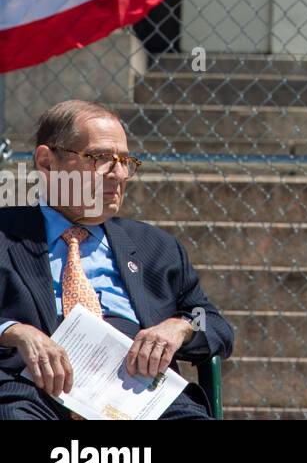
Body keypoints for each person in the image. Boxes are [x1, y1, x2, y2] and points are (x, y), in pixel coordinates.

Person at [0, 100, 234, 420]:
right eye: (101, 159)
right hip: (34, 395)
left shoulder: (156, 247)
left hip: (141, 397)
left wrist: (179, 327)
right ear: (47, 162)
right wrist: (14, 332)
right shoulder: (5, 235)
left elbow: (212, 321)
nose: (119, 174)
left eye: (125, 160)